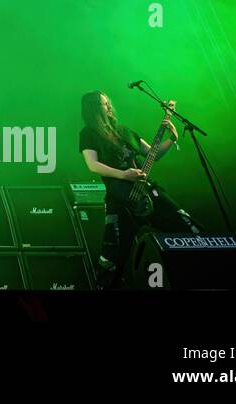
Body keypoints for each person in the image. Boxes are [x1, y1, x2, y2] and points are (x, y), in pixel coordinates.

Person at [79, 90, 200, 287]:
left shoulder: (124, 131)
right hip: (119, 198)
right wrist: (123, 174)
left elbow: (154, 154)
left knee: (187, 225)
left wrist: (172, 139)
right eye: (103, 103)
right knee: (112, 256)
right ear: (93, 108)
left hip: (145, 191)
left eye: (108, 101)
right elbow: (92, 165)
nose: (109, 105)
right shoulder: (88, 133)